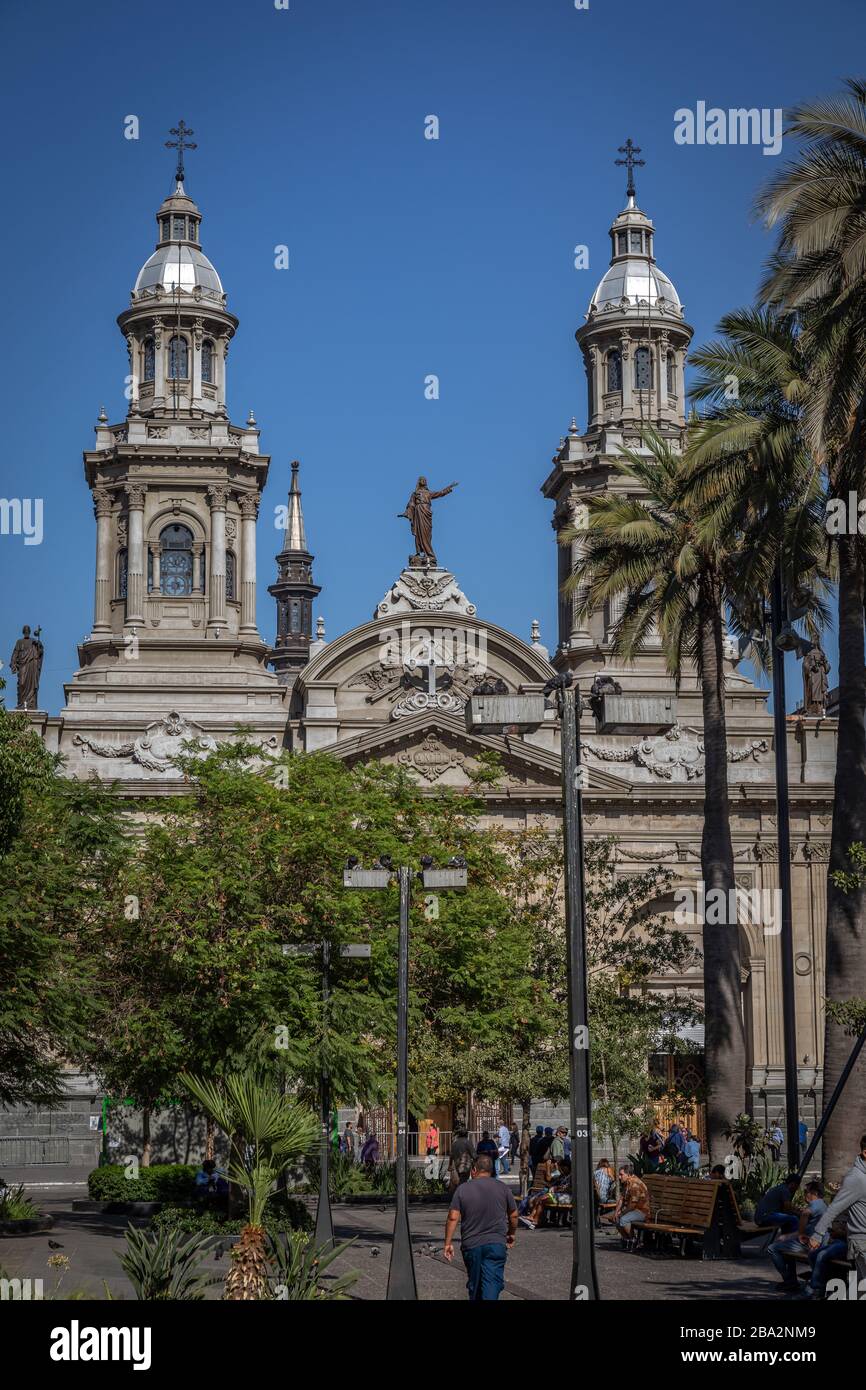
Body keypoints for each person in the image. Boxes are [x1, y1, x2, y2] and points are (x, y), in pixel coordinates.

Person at [444, 1154, 518, 1301]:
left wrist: (448, 1243)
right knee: (492, 1283)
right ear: (491, 1170)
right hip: (496, 1243)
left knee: (475, 1285)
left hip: (472, 1244)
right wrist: (512, 1233)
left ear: (474, 1170)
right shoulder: (503, 1188)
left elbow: (453, 1217)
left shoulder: (463, 1189)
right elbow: (514, 1215)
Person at [809, 1132, 866, 1288]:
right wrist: (818, 1234)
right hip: (862, 1242)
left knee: (860, 1289)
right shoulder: (856, 1179)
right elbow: (834, 1207)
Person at [767, 1180, 827, 1292]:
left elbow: (805, 1215)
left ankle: (789, 1280)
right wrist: (788, 1236)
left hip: (811, 1244)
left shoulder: (816, 1204)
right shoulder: (822, 1204)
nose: (804, 1194)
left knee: (772, 1248)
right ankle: (791, 1281)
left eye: (806, 1192)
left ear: (814, 1193)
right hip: (814, 1241)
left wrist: (799, 1234)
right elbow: (806, 1229)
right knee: (784, 1245)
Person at [519, 1158, 572, 1230]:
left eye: (562, 1167)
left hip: (565, 1196)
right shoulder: (563, 1175)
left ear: (566, 1167)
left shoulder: (570, 1176)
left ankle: (534, 1218)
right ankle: (534, 1218)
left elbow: (567, 1188)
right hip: (558, 1194)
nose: (561, 1169)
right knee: (539, 1199)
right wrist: (557, 1188)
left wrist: (559, 1188)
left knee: (542, 1198)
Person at [614, 1164, 650, 1247]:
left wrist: (622, 1213)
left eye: (621, 1174)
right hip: (633, 1210)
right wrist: (616, 1212)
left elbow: (633, 1204)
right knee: (616, 1218)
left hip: (642, 1211)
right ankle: (626, 1239)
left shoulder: (635, 1185)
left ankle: (633, 1240)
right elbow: (621, 1199)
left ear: (628, 1174)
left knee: (623, 1219)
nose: (619, 1177)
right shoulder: (627, 1183)